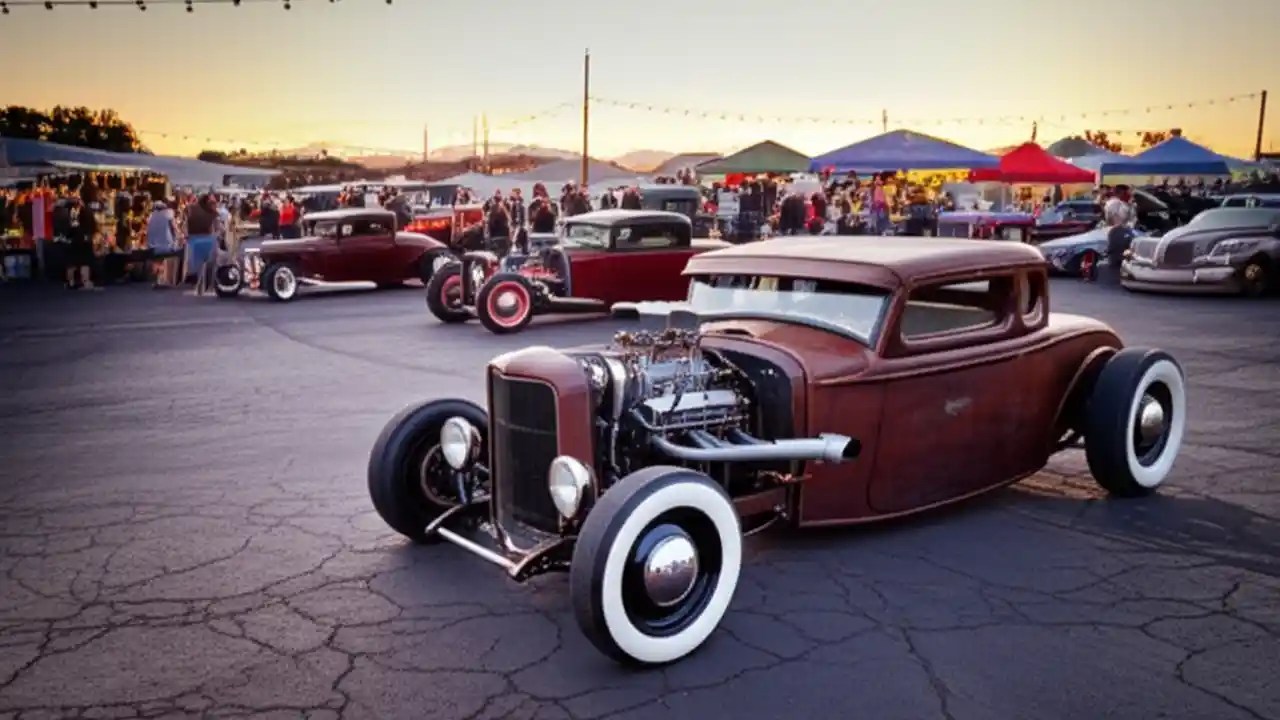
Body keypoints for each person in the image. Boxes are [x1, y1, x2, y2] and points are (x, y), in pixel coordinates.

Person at [146, 201, 179, 288]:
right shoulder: (169, 213)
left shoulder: (151, 216)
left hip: (153, 245)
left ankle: (157, 280)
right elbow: (174, 227)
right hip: (166, 244)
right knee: (167, 258)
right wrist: (177, 236)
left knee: (157, 260)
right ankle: (164, 279)